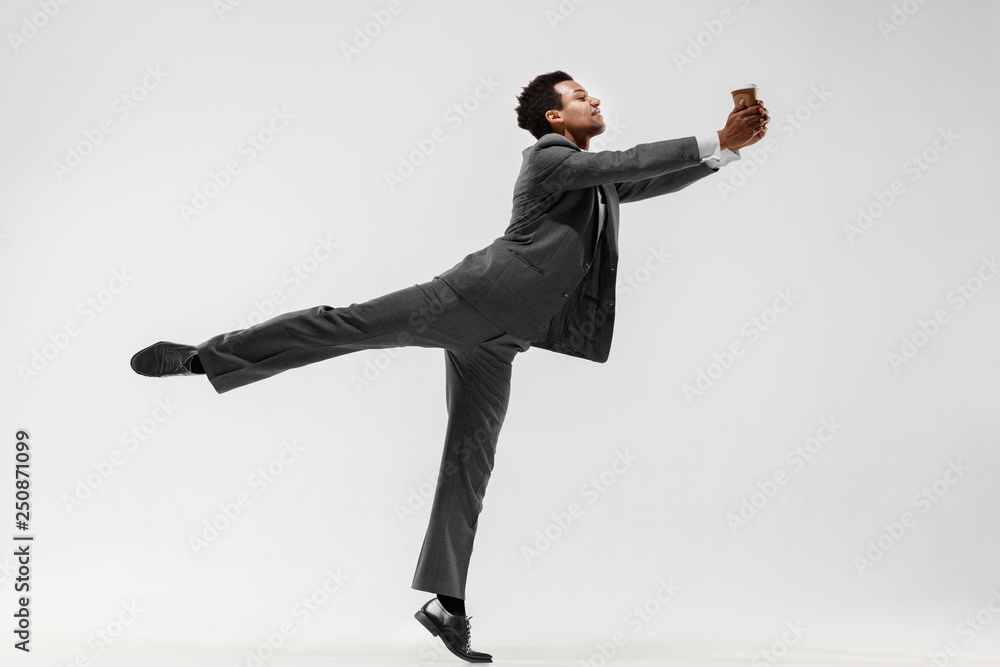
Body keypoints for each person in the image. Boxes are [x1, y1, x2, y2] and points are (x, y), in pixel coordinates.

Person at [130, 71, 769, 663]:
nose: (595, 101)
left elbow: (646, 179)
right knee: (342, 325)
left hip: (501, 342)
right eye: (581, 96)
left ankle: (446, 603)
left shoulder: (592, 179)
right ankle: (202, 357)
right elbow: (628, 163)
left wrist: (727, 151)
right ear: (555, 115)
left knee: (471, 460)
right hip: (461, 300)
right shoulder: (550, 159)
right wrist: (714, 135)